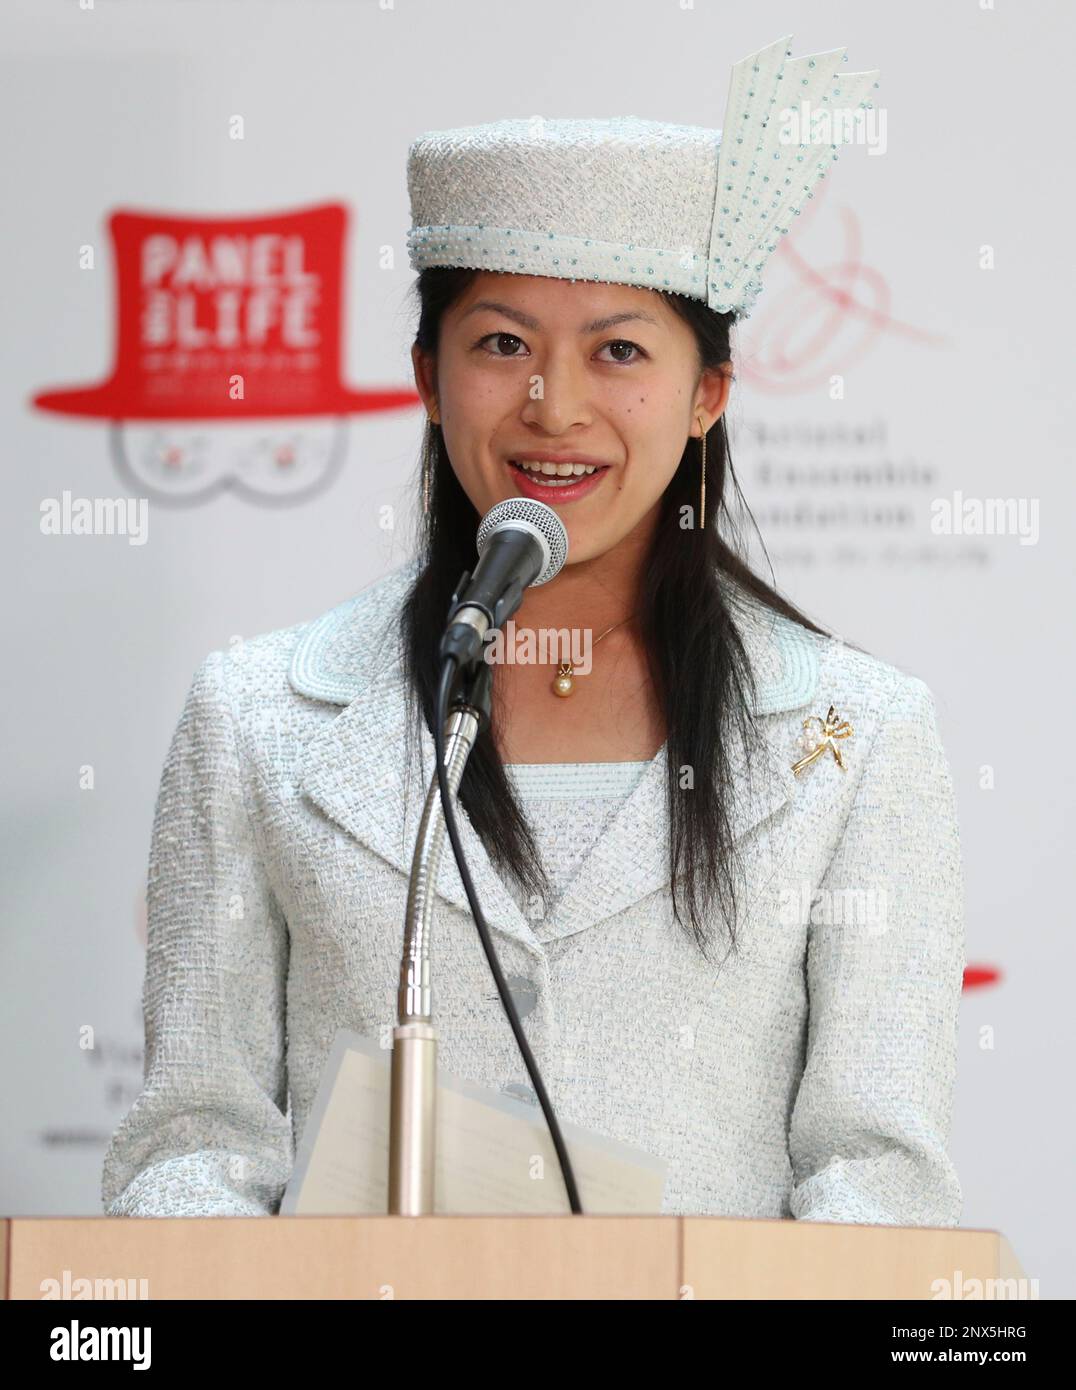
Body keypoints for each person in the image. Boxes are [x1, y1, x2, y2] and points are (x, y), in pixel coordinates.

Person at [102, 34, 967, 1225]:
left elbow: (877, 1178)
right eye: (500, 344)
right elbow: (194, 1147)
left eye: (618, 350)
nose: (552, 406)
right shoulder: (255, 718)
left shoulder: (855, 735)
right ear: (427, 371)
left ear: (707, 392)